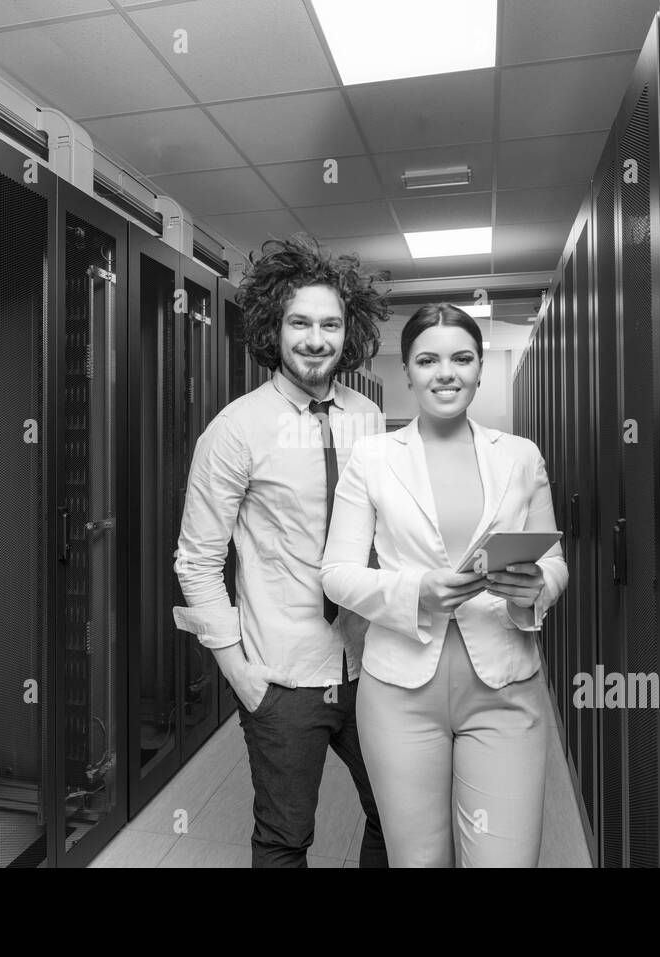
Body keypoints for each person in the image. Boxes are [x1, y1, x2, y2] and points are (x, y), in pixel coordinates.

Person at [319, 303, 569, 867]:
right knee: (419, 860)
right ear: (406, 372)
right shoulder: (373, 457)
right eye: (427, 360)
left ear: (481, 368)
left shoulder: (521, 456)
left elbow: (553, 558)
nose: (446, 372)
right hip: (401, 694)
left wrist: (538, 587)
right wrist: (415, 592)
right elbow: (335, 575)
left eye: (462, 358)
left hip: (505, 690)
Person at [173, 235, 391, 867]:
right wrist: (240, 673)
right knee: (284, 841)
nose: (316, 339)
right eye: (301, 322)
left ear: (349, 331)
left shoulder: (369, 419)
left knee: (395, 817)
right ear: (275, 327)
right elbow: (196, 559)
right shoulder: (235, 429)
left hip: (372, 664)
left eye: (331, 323)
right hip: (285, 676)